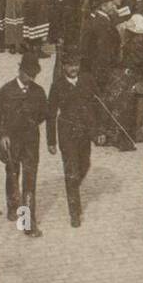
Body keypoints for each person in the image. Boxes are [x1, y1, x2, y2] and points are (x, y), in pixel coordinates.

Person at [0, 53, 49, 236]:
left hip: (30, 143)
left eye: (34, 75)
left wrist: (31, 121)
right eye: (28, 74)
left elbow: (44, 113)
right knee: (12, 176)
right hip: (12, 144)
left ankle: (27, 223)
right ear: (20, 71)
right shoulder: (6, 90)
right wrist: (2, 135)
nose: (31, 79)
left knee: (29, 181)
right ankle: (13, 206)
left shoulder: (38, 91)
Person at [46, 55, 106, 227]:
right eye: (70, 65)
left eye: (76, 65)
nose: (74, 68)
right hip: (67, 135)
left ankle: (72, 188)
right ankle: (74, 211)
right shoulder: (57, 86)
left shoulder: (87, 80)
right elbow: (51, 114)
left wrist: (100, 130)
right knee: (71, 170)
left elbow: (99, 105)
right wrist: (51, 141)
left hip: (85, 133)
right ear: (63, 66)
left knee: (84, 165)